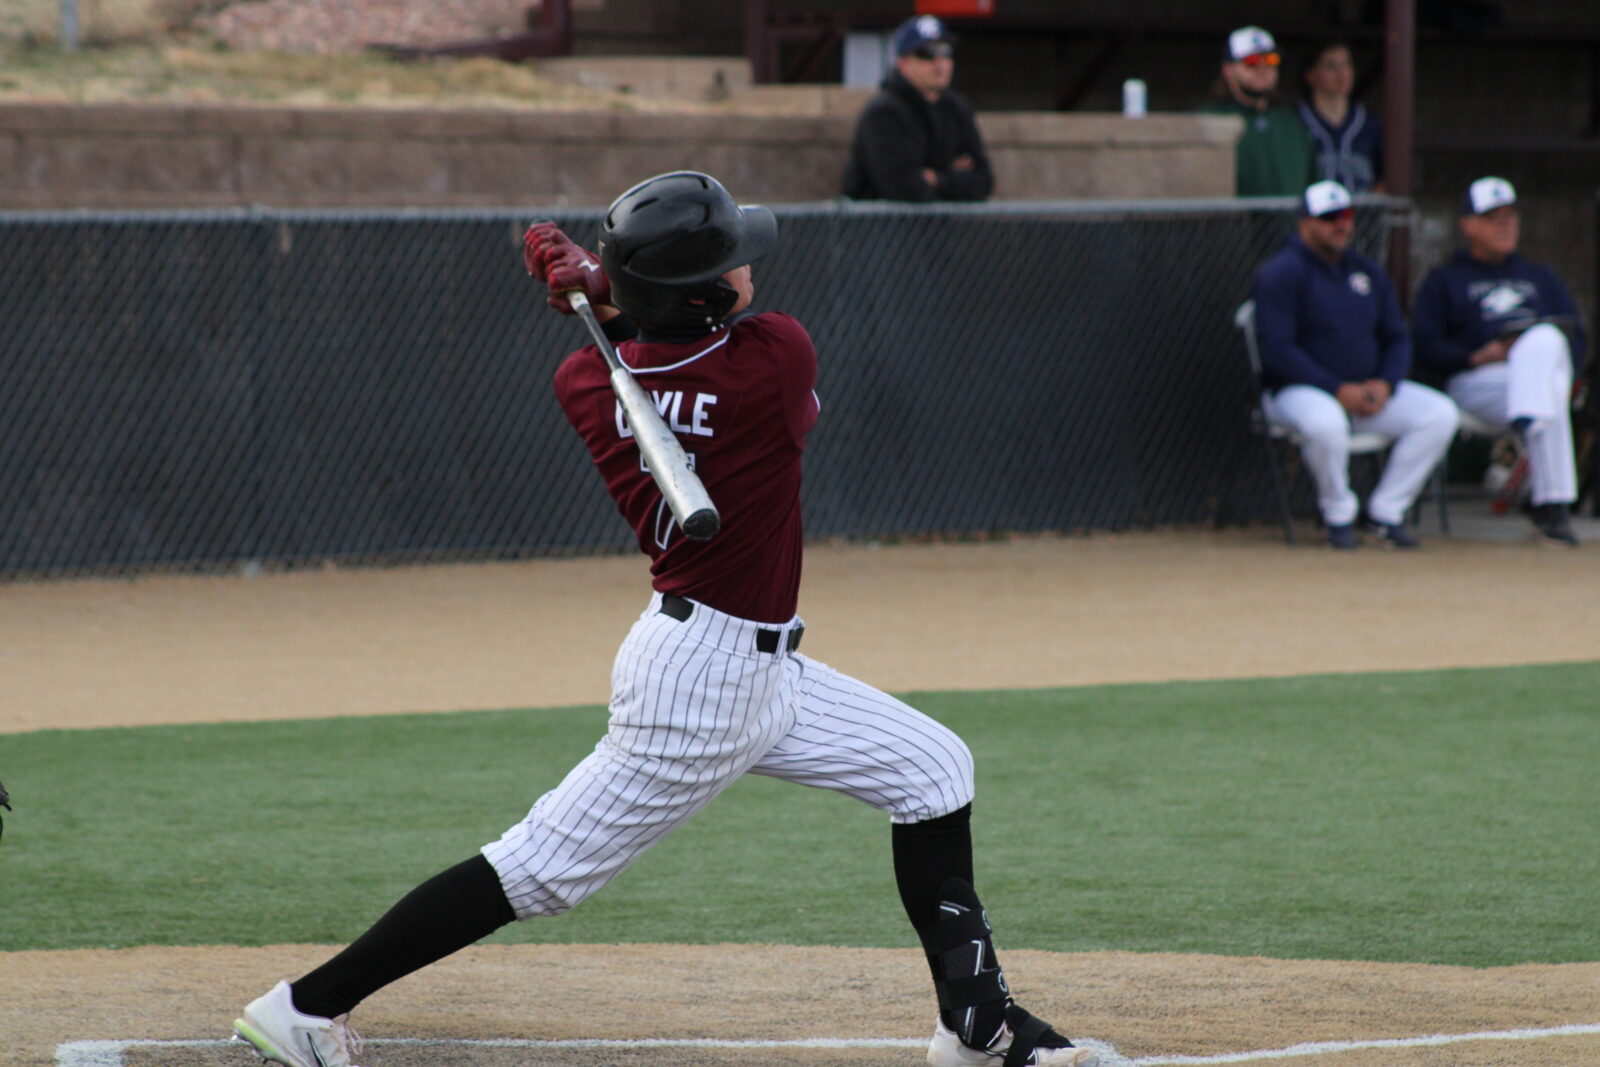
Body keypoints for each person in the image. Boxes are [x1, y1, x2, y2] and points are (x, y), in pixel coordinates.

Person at [230, 171, 1094, 1067]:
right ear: (708, 293)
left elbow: (648, 340)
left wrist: (599, 286)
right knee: (539, 870)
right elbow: (698, 338)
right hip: (702, 689)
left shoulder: (582, 379)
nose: (749, 270)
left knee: (932, 767)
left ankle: (978, 1027)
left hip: (746, 664)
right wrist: (601, 283)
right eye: (732, 263)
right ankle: (301, 1006)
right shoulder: (777, 361)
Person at [1252, 180, 1460, 548]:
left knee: (1439, 413)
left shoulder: (1366, 271)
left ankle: (1384, 513)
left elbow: (1397, 336)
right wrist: (1335, 389)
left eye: (1347, 216)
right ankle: (1338, 514)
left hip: (1365, 390)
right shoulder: (1281, 272)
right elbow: (1277, 350)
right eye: (1330, 218)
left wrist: (1386, 383)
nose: (1342, 225)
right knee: (1325, 423)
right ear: (1305, 223)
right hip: (1298, 391)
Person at [1412, 176, 1588, 546]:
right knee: (1549, 392)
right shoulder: (1446, 280)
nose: (1506, 224)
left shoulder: (1540, 277)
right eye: (1494, 217)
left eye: (1511, 216)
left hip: (1534, 382)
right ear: (1467, 225)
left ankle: (1532, 417)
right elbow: (1424, 344)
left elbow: (1577, 336)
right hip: (1479, 381)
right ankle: (1552, 508)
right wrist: (1475, 356)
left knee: (1544, 343)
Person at [841, 14, 994, 202]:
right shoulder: (883, 112)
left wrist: (937, 179)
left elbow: (983, 182)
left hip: (946, 230)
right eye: (926, 54)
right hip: (881, 229)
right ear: (903, 64)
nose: (939, 63)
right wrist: (954, 179)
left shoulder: (957, 108)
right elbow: (904, 188)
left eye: (946, 52)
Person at [1201, 25, 1314, 197]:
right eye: (1251, 61)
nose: (1262, 68)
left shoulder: (1290, 121)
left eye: (1270, 60)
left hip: (1288, 223)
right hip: (1232, 223)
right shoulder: (1209, 118)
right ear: (1228, 70)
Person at [1295, 41, 1384, 193]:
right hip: (1311, 215)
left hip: (1361, 213)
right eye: (1331, 66)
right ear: (1310, 75)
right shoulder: (1294, 120)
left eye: (1346, 65)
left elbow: (1385, 178)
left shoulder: (1370, 122)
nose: (1341, 73)